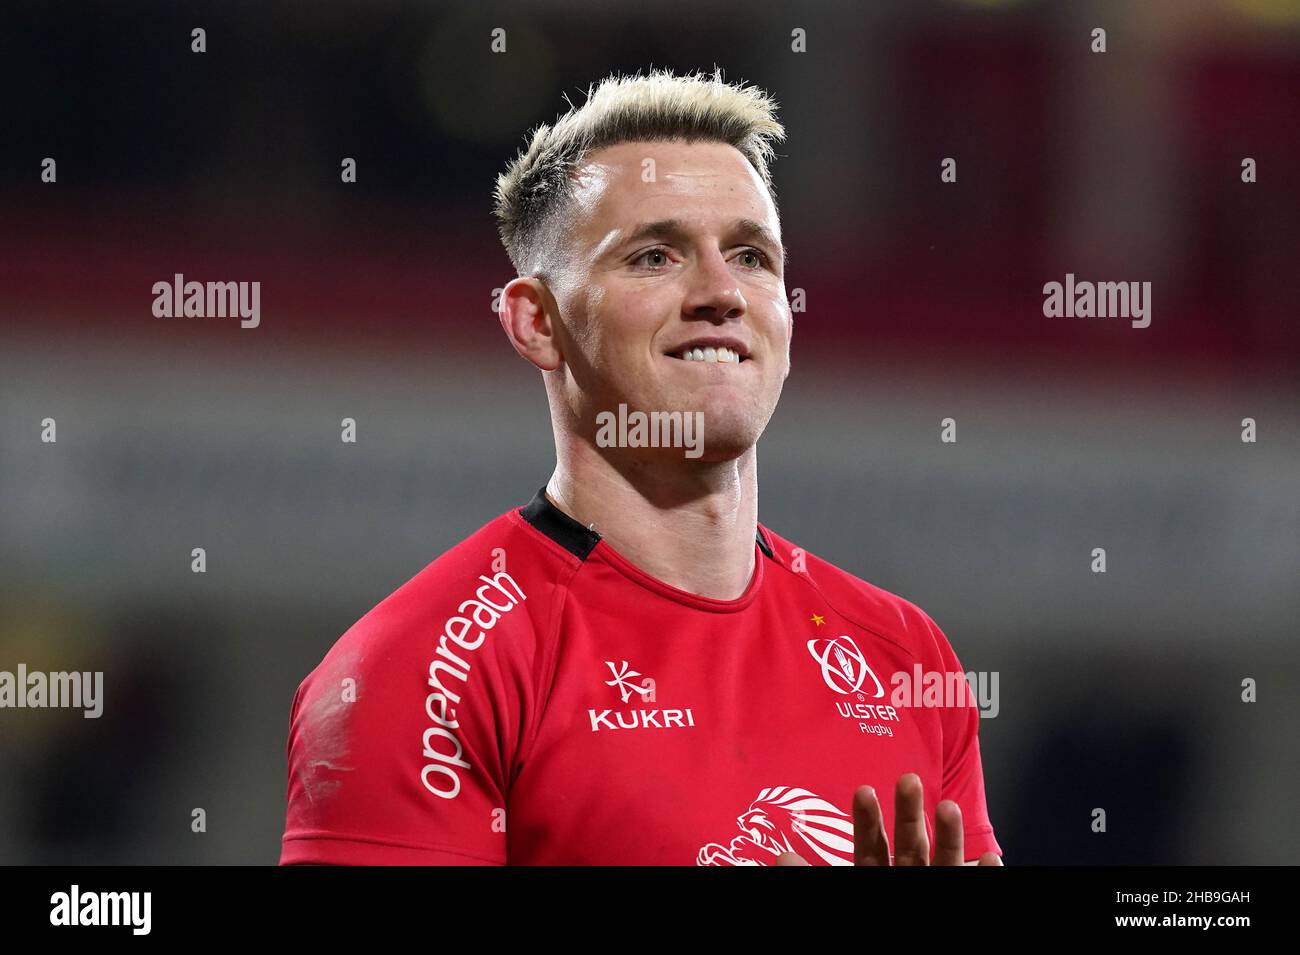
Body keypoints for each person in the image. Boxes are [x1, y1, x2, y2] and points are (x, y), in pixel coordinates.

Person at [279, 67, 1002, 866]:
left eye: (753, 256)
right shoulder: (416, 673)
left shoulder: (905, 656)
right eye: (656, 256)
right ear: (537, 322)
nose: (721, 292)